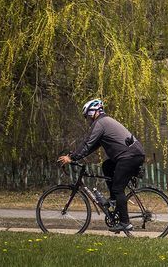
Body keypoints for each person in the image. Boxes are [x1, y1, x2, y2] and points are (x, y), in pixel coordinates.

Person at [57, 99, 146, 233]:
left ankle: (125, 223)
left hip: (130, 156)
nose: (87, 120)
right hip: (132, 154)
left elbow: (88, 143)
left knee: (118, 189)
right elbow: (92, 146)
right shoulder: (105, 122)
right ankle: (114, 200)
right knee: (107, 166)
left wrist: (71, 157)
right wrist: (75, 154)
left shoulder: (100, 123)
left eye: (87, 116)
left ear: (93, 112)